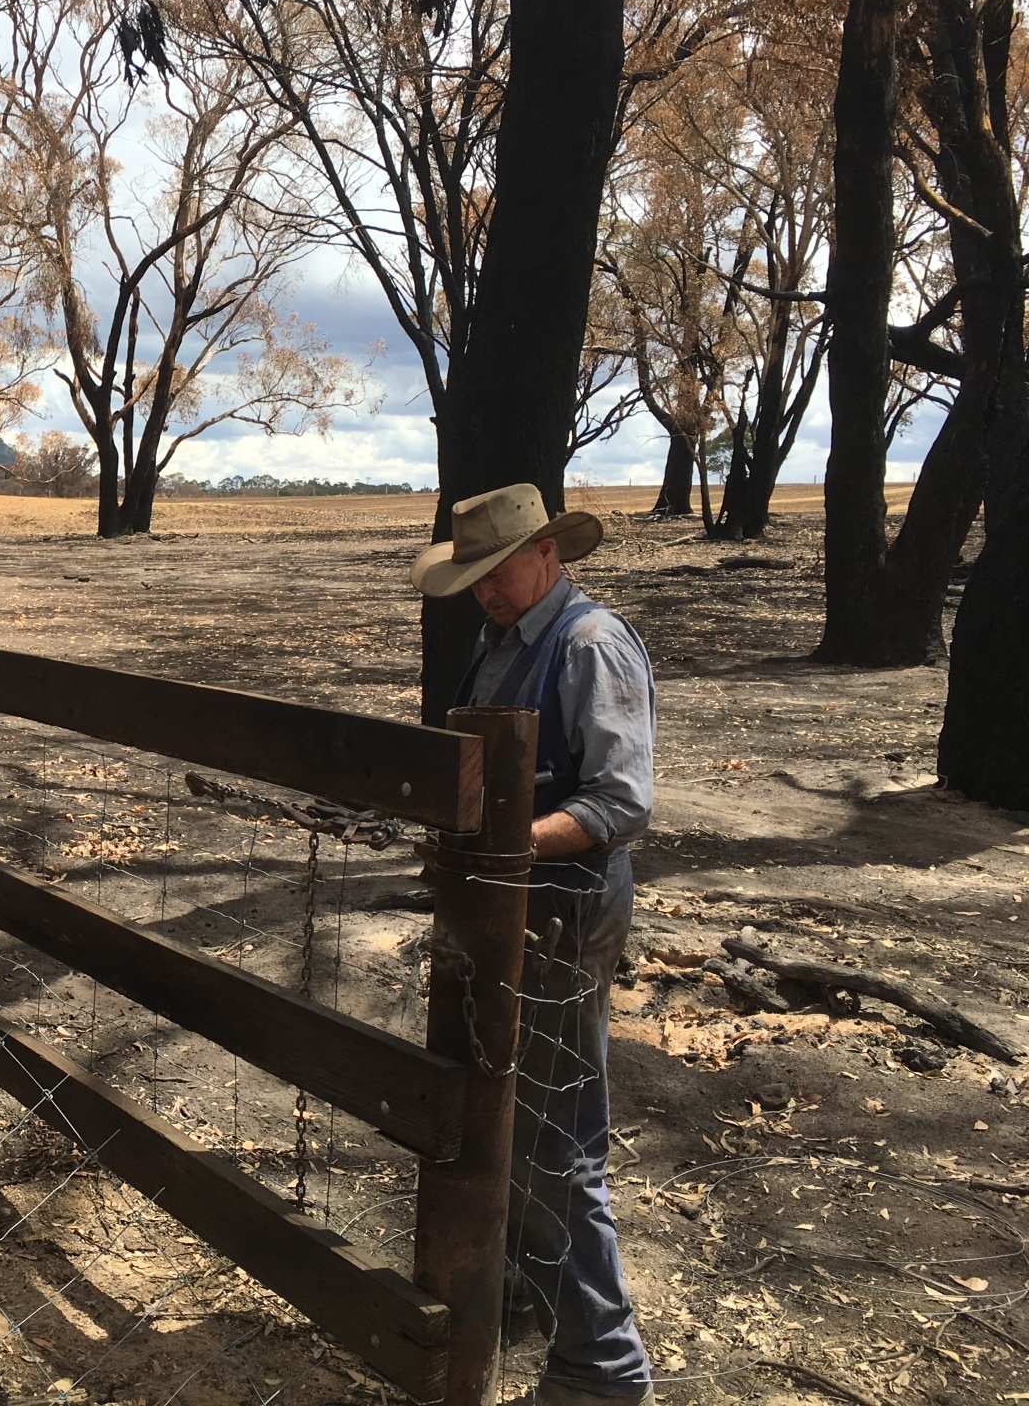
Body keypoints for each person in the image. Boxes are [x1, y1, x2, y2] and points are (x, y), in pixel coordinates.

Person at [411, 484, 658, 1406]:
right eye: (470, 580)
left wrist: (506, 838)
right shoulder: (503, 639)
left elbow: (621, 801)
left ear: (548, 555)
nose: (484, 593)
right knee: (496, 1115)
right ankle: (515, 1294)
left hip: (562, 916)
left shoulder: (590, 644)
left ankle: (601, 1368)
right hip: (504, 907)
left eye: (495, 573)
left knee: (553, 1140)